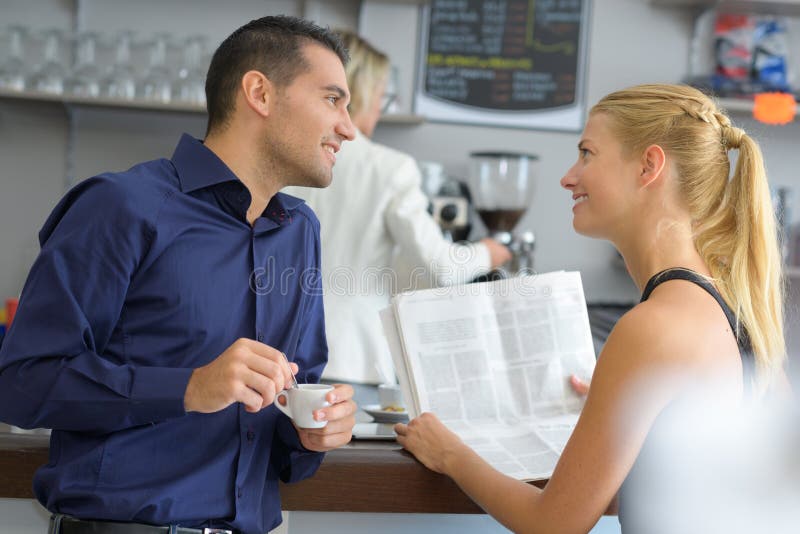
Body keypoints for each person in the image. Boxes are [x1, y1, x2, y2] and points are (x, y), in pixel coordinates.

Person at [0, 15, 358, 534]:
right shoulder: (121, 206)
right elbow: (19, 382)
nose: (348, 126)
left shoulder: (299, 231)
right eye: (333, 100)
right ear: (259, 92)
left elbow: (290, 405)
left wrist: (313, 432)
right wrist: (187, 387)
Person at [395, 84, 788, 533]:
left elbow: (554, 525)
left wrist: (450, 453)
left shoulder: (653, 328)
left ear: (648, 166)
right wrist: (618, 407)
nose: (568, 176)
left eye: (587, 153)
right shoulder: (741, 312)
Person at [284, 31, 511, 402]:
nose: (380, 108)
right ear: (359, 93)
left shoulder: (287, 157)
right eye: (381, 96)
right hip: (355, 359)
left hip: (282, 353)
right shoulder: (391, 168)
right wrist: (489, 251)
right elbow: (442, 268)